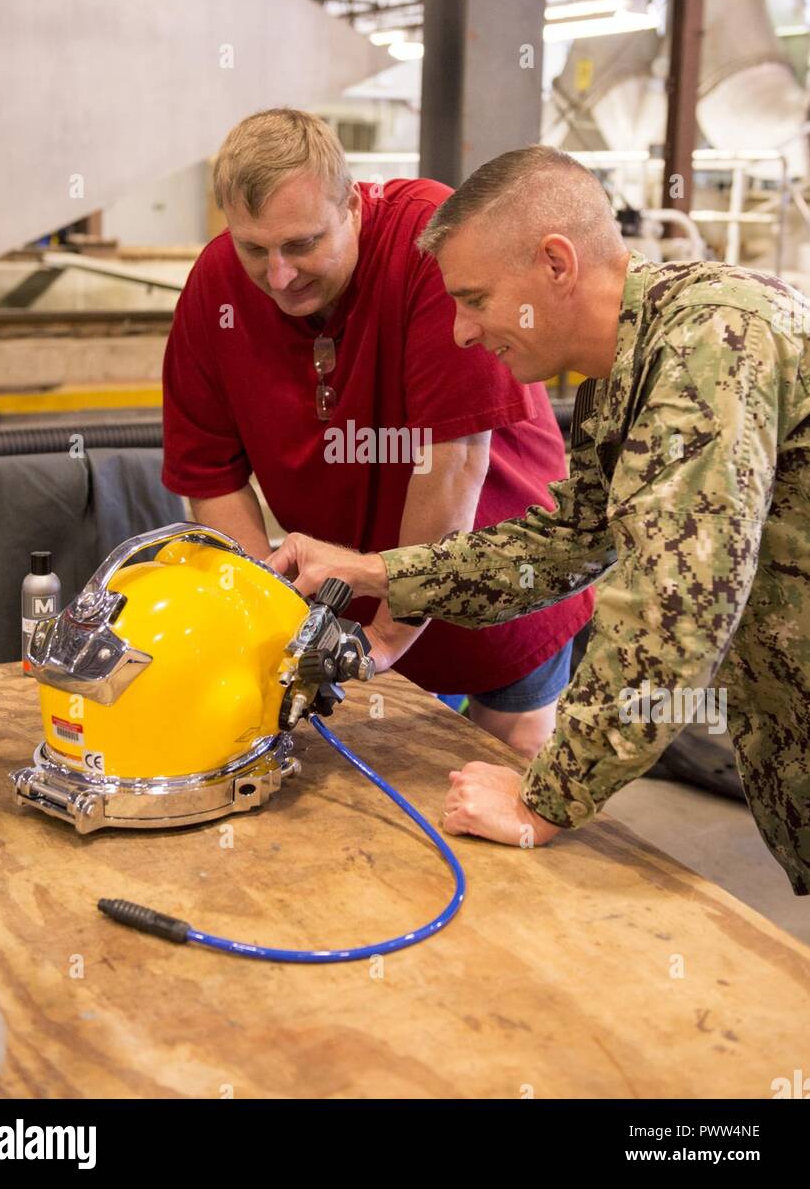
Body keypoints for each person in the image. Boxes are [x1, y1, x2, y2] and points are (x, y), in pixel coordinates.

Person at [268, 144, 810, 898]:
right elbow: (558, 548)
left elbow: (674, 612)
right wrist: (369, 570)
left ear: (556, 264)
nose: (459, 331)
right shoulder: (622, 377)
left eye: (475, 298)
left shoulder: (708, 341)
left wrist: (542, 799)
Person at [161, 111, 593, 758]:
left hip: (499, 590)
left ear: (353, 205)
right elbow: (209, 474)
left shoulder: (433, 244)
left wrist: (390, 631)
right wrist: (265, 618)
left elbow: (449, 467)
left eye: (303, 245)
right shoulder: (216, 284)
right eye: (254, 248)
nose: (278, 275)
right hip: (345, 611)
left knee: (507, 793)